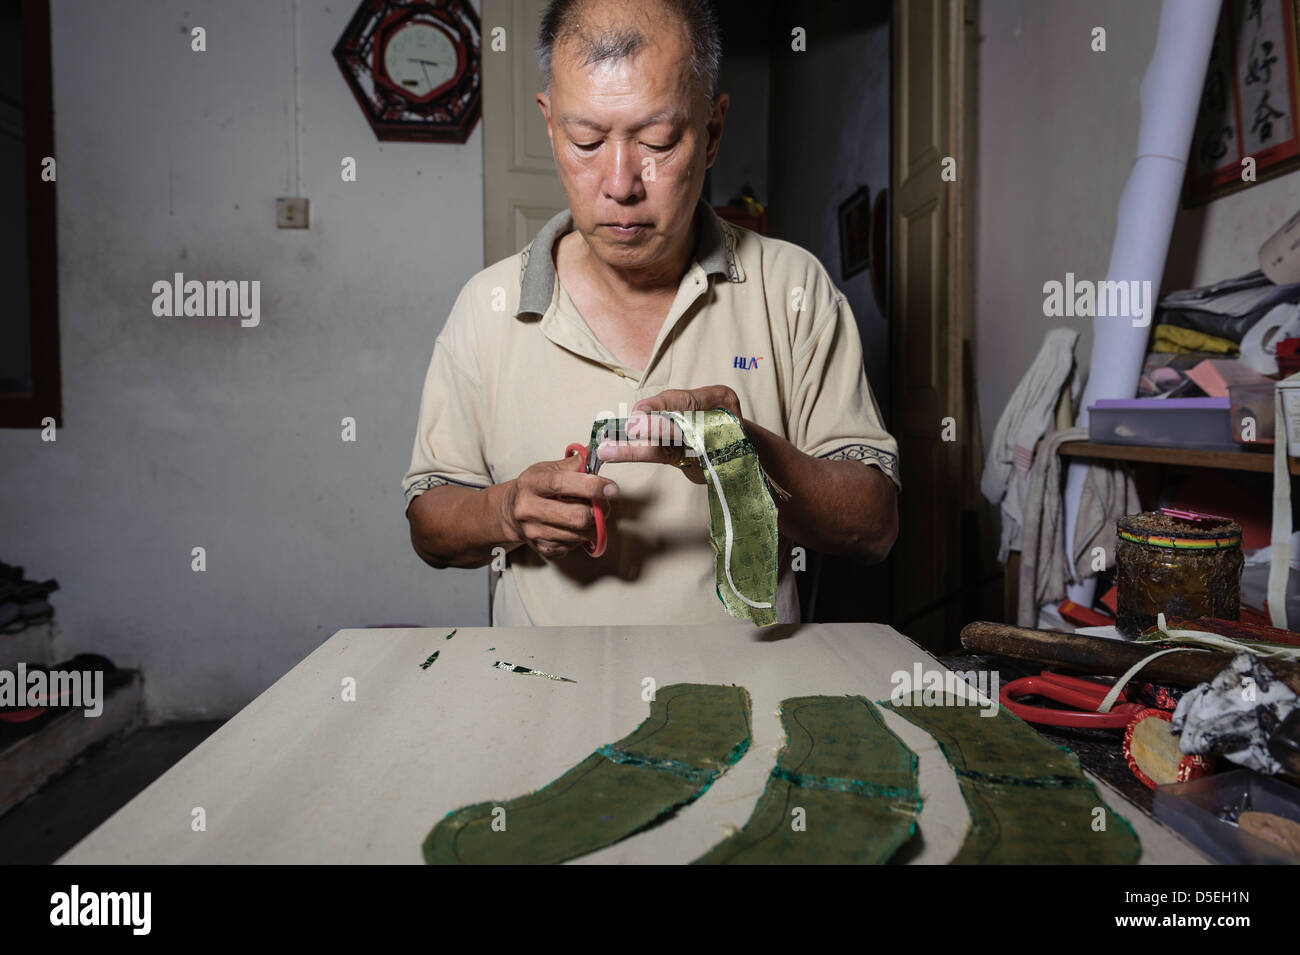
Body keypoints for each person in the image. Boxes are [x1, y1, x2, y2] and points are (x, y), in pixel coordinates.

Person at [403, 0, 899, 626]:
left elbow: (874, 527)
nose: (620, 184)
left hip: (749, 696)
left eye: (658, 141)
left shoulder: (793, 289)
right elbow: (429, 525)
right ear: (550, 126)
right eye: (585, 141)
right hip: (541, 701)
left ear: (713, 132)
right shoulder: (487, 306)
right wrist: (507, 512)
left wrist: (746, 457)